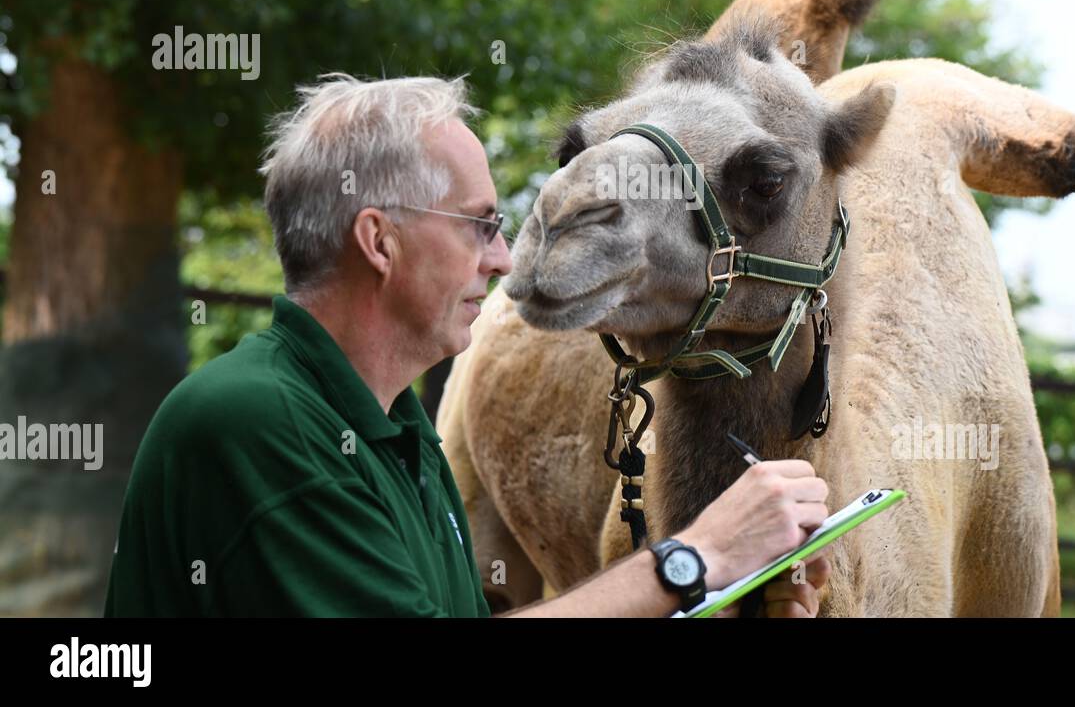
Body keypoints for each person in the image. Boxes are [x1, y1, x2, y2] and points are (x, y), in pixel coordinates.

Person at [105, 74, 830, 618]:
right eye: (480, 226)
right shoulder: (259, 421)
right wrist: (696, 559)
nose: (505, 259)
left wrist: (728, 594)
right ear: (379, 242)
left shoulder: (389, 428)